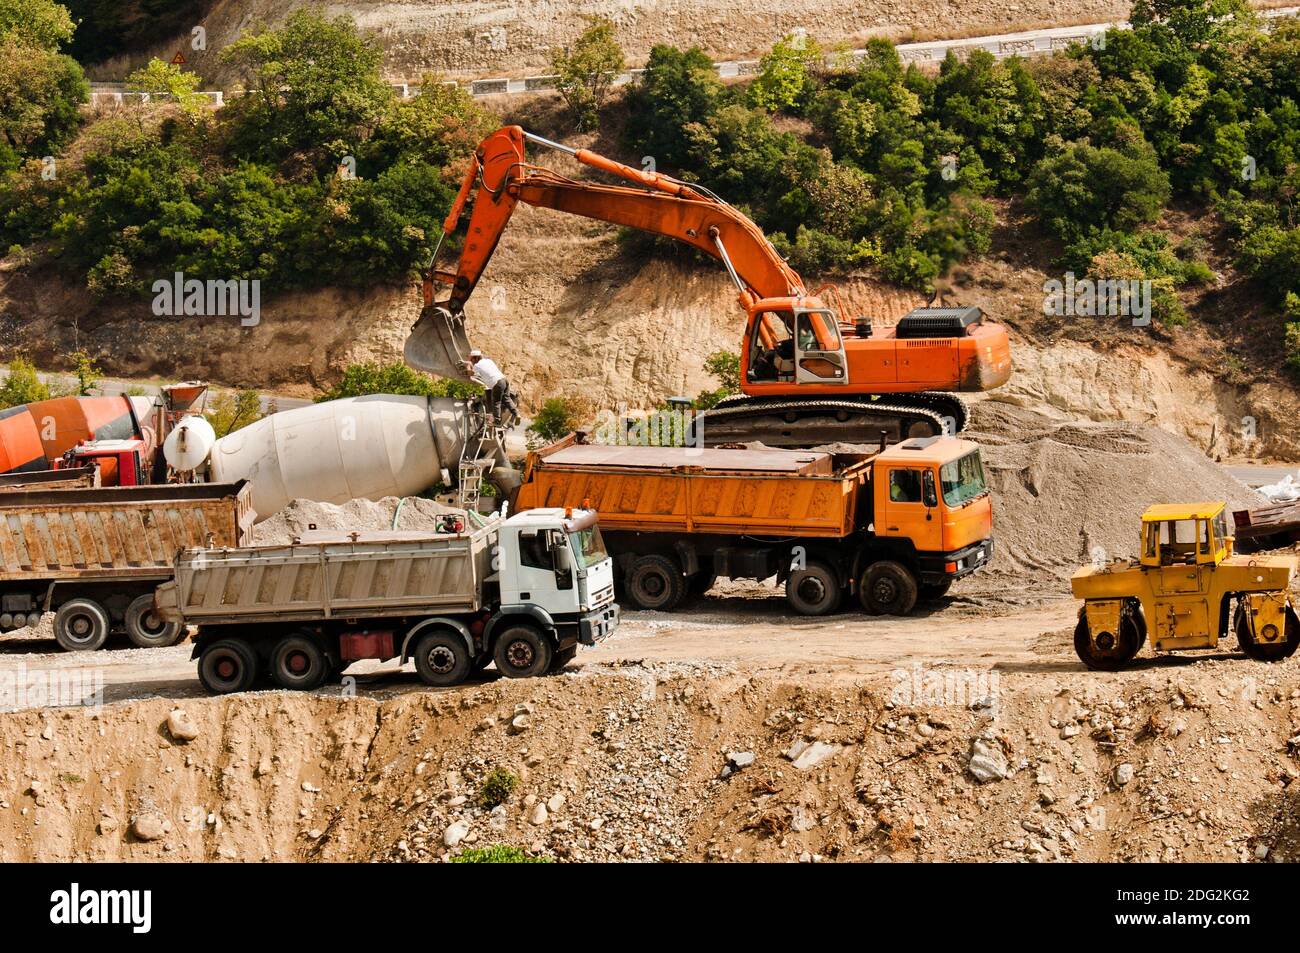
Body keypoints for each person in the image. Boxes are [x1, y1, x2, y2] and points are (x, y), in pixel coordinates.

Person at [464, 349, 515, 423]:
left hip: (496, 383)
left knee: (495, 402)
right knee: (505, 399)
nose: (472, 361)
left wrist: (468, 365)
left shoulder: (477, 365)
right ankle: (515, 414)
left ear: (475, 358)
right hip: (504, 380)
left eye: (472, 359)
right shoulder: (488, 361)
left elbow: (470, 373)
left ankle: (496, 420)